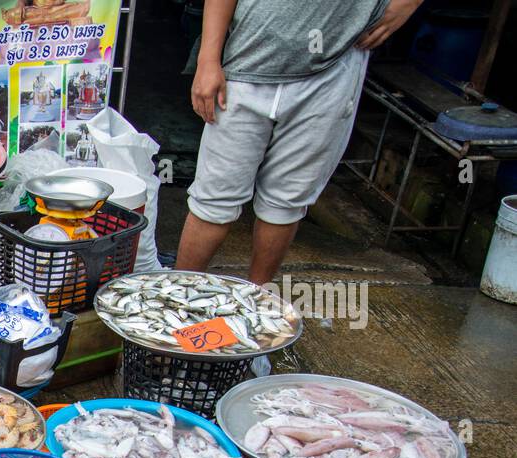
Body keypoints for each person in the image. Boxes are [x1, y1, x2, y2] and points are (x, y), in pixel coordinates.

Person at [176, 0, 422, 284]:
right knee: (214, 198)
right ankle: (177, 295)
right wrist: (208, 60)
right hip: (246, 62)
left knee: (285, 202)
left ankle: (259, 300)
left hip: (332, 70)